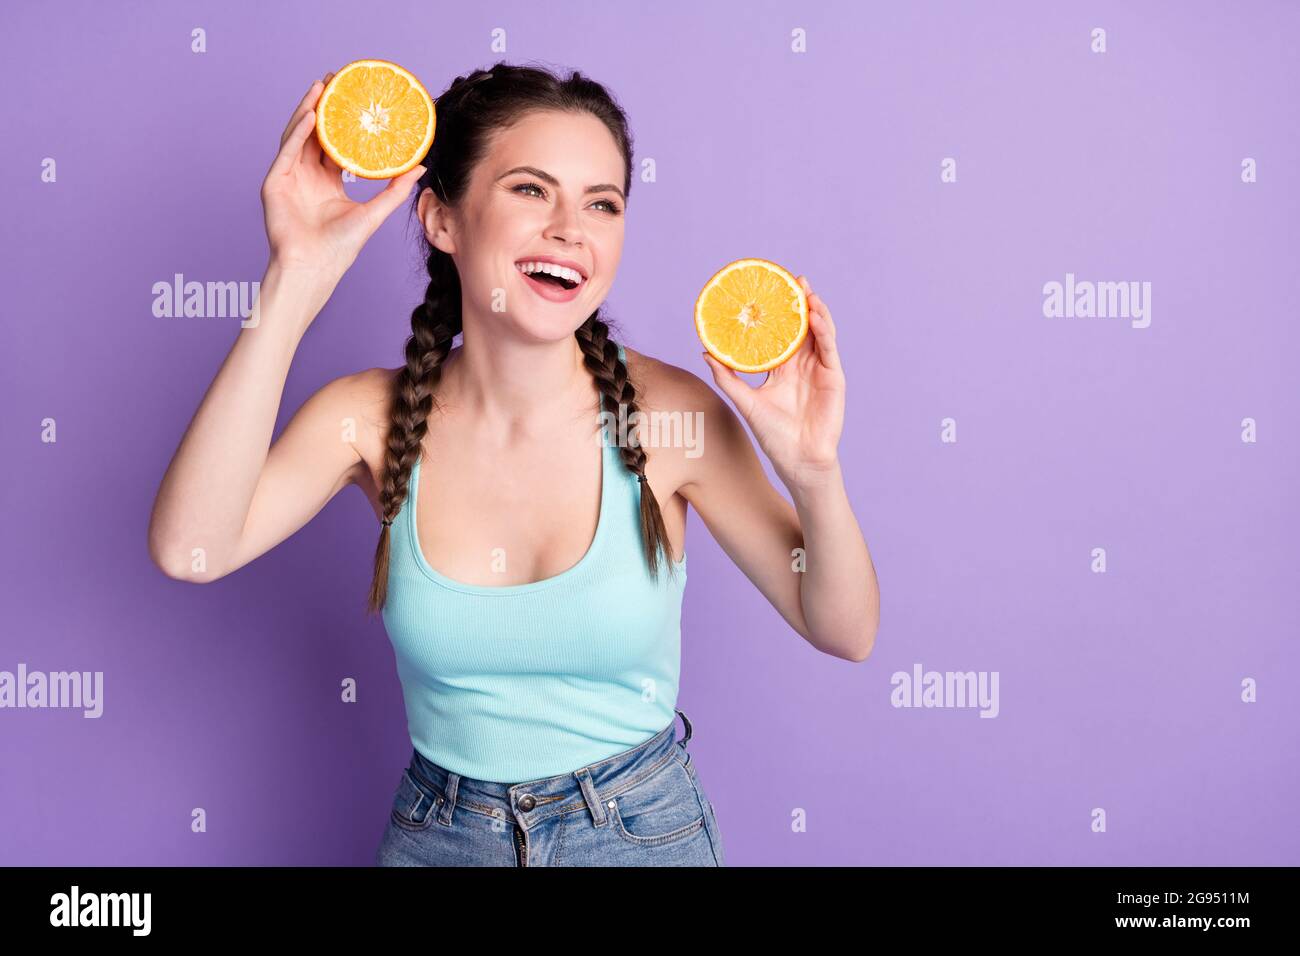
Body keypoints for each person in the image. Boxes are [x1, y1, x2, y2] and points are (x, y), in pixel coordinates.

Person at [147, 61, 878, 866]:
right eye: (532, 190)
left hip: (639, 835)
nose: (572, 228)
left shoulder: (673, 418)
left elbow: (843, 630)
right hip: (440, 838)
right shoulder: (367, 419)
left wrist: (815, 473)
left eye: (602, 203)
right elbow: (192, 550)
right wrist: (294, 280)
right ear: (441, 219)